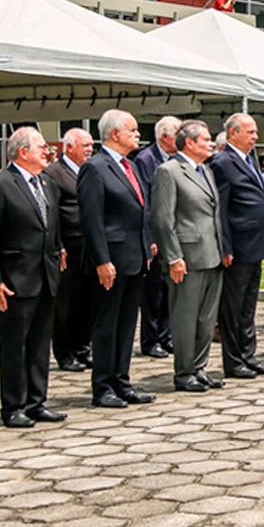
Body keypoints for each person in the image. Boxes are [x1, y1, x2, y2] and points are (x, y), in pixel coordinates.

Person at [0, 127, 65, 428]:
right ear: (23, 151)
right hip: (14, 280)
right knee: (14, 346)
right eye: (42, 147)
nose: (47, 152)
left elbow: (52, 226)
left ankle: (36, 401)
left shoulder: (47, 184)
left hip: (45, 276)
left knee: (40, 344)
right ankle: (13, 406)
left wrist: (58, 251)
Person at [78, 109, 157, 408]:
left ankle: (122, 380)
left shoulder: (131, 166)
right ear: (115, 134)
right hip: (110, 260)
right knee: (107, 324)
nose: (138, 135)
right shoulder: (95, 168)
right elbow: (92, 218)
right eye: (132, 130)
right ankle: (103, 385)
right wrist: (101, 259)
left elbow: (141, 208)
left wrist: (147, 244)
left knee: (127, 323)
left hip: (134, 257)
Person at [149, 119, 228, 392]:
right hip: (187, 258)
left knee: (206, 319)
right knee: (185, 318)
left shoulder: (205, 170)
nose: (211, 143)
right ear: (190, 142)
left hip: (211, 255)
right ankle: (184, 372)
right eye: (205, 139)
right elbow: (162, 219)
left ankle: (200, 367)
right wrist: (173, 257)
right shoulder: (169, 172)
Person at [210, 113, 264, 376]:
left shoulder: (247, 159)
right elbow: (221, 209)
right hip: (237, 245)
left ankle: (248, 354)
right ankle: (233, 360)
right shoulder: (223, 162)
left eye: (255, 132)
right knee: (233, 307)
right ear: (233, 134)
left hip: (255, 244)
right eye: (249, 132)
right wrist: (225, 246)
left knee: (249, 305)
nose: (255, 137)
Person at [132, 116, 181, 359]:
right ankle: (151, 340)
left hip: (173, 233)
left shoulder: (177, 160)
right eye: (177, 135)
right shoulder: (145, 159)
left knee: (170, 288)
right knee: (153, 292)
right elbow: (146, 201)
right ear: (164, 137)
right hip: (155, 236)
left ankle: (166, 335)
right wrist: (150, 237)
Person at [48, 128, 96, 372]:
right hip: (69, 248)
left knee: (88, 302)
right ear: (68, 148)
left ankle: (82, 347)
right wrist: (59, 246)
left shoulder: (90, 170)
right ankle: (64, 352)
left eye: (91, 144)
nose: (89, 148)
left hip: (91, 248)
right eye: (84, 145)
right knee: (67, 305)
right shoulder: (54, 174)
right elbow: (52, 214)